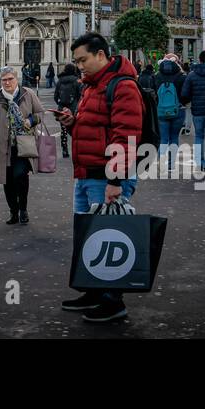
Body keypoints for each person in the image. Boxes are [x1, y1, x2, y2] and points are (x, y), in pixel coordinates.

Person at [57, 32, 141, 322]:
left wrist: (115, 182)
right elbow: (96, 126)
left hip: (105, 177)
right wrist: (72, 123)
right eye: (76, 61)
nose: (79, 66)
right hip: (86, 175)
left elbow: (125, 135)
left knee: (107, 239)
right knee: (88, 238)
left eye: (83, 59)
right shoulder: (92, 85)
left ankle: (112, 301)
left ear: (101, 55)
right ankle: (93, 292)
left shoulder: (122, 86)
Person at [0, 66, 48, 225]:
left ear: (16, 79)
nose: (7, 83)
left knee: (20, 176)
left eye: (10, 79)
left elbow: (41, 113)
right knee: (8, 181)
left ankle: (23, 209)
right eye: (4, 80)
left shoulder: (28, 94)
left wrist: (30, 121)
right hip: (4, 148)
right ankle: (13, 211)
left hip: (24, 145)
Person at [153, 54, 187, 175]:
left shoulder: (157, 76)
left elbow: (152, 94)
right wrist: (182, 103)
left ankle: (161, 163)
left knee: (163, 138)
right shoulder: (182, 76)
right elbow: (186, 94)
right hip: (178, 110)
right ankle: (171, 164)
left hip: (161, 111)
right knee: (174, 137)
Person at [53, 62, 80, 158]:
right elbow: (80, 95)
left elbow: (56, 96)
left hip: (62, 108)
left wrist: (60, 105)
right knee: (76, 131)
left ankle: (64, 150)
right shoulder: (76, 80)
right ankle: (76, 150)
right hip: (74, 109)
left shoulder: (60, 81)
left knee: (63, 130)